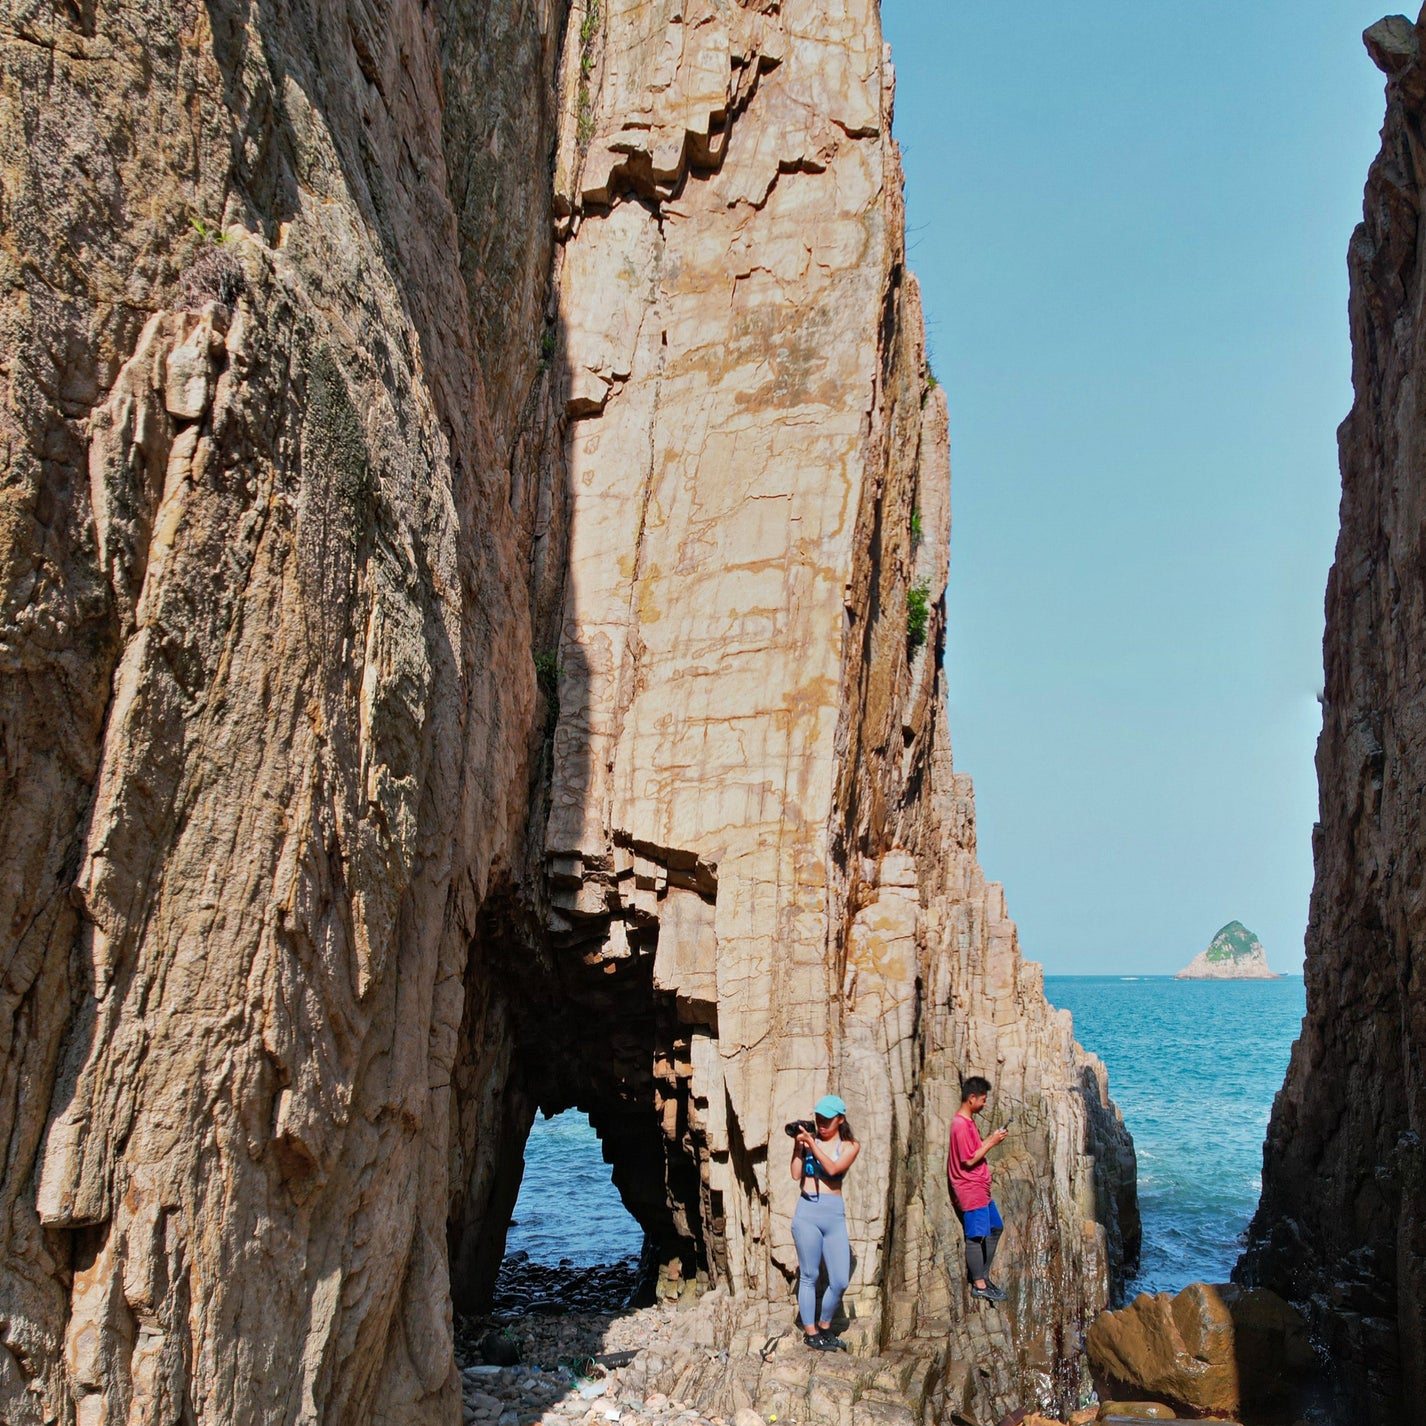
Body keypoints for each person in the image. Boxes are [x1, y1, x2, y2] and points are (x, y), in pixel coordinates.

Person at [790, 1094, 861, 1350]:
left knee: (840, 1280)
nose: (821, 1124)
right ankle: (811, 1333)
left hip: (833, 1215)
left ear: (840, 1120)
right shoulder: (811, 1140)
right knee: (809, 1274)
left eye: (827, 1120)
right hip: (807, 1212)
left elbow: (832, 1169)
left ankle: (825, 1326)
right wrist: (800, 1147)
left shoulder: (851, 1145)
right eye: (818, 1118)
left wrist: (812, 1144)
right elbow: (796, 1173)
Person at [947, 1075, 1008, 1303]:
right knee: (975, 1237)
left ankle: (982, 1275)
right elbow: (969, 1160)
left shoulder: (968, 1122)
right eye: (983, 1100)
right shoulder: (960, 1126)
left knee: (995, 1228)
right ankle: (979, 1284)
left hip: (980, 1189)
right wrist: (992, 1142)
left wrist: (992, 1140)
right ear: (971, 1098)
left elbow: (974, 1151)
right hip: (969, 1189)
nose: (985, 1104)